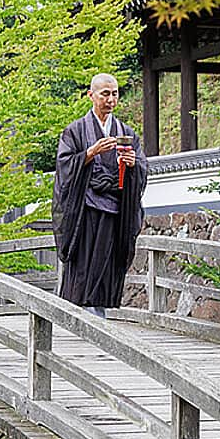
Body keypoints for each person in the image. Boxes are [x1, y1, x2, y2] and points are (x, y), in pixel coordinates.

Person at [52, 73, 148, 316]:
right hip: (86, 209)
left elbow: (143, 168)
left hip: (115, 209)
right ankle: (78, 319)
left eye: (115, 93)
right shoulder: (75, 131)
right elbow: (64, 167)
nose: (111, 99)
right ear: (91, 95)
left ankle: (99, 317)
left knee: (106, 268)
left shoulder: (125, 132)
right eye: (105, 93)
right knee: (84, 267)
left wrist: (133, 163)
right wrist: (89, 153)